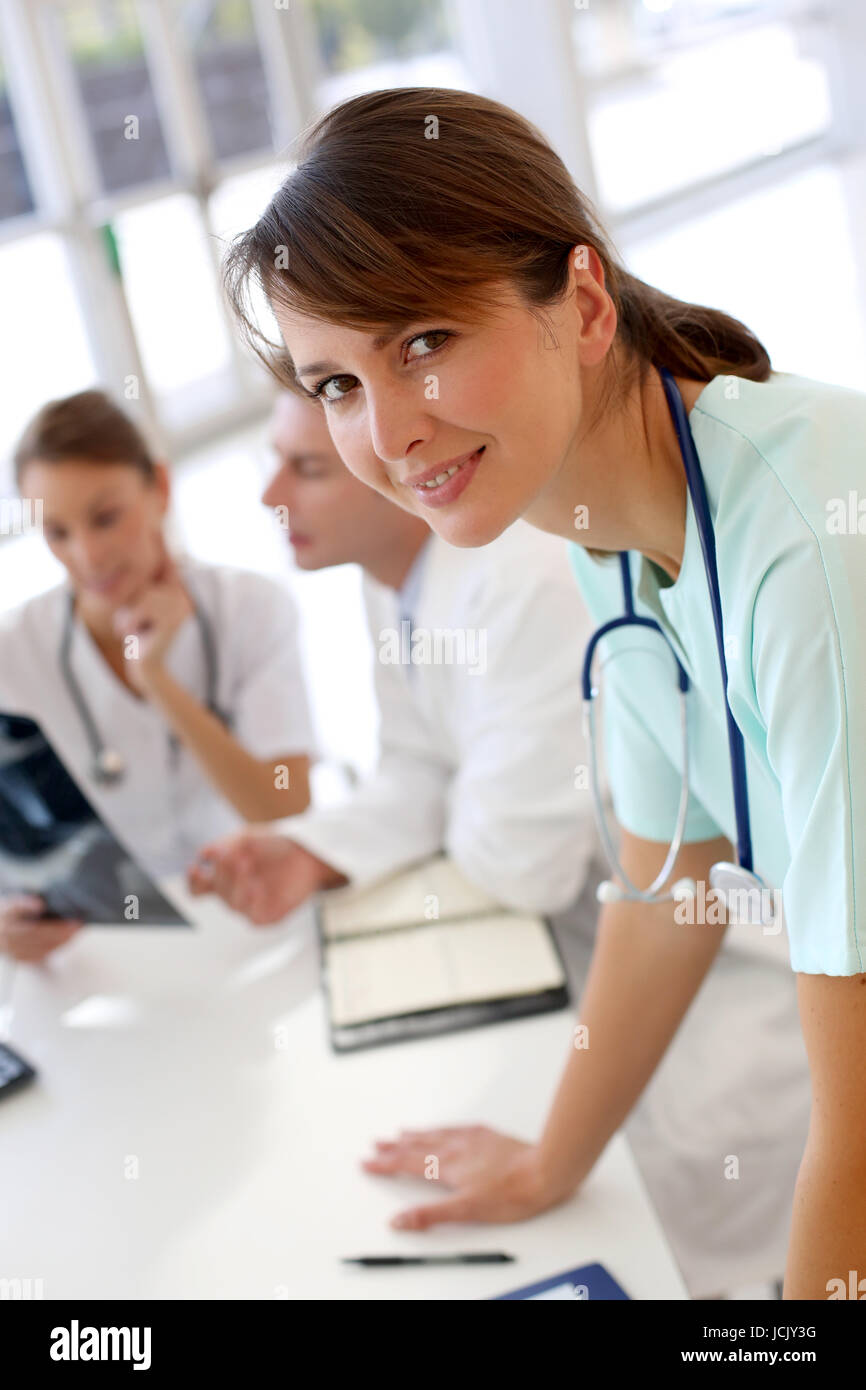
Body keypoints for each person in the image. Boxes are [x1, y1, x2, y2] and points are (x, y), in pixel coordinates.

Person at [214, 87, 866, 1299]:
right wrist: (551, 1161)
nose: (389, 433)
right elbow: (668, 884)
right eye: (336, 386)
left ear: (579, 301)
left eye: (422, 343)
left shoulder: (811, 550)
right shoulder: (606, 530)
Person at [189, 386, 599, 923]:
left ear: (406, 471)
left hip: (669, 957)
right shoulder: (391, 576)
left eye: (308, 469)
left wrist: (450, 807)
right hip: (533, 923)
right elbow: (419, 765)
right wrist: (311, 853)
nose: (271, 496)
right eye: (276, 460)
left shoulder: (525, 585)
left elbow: (519, 865)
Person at [0, 389, 315, 963]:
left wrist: (160, 683)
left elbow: (284, 806)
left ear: (160, 489)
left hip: (249, 915)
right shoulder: (12, 654)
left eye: (105, 517)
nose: (88, 556)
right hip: (98, 952)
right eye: (58, 533)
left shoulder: (251, 608)